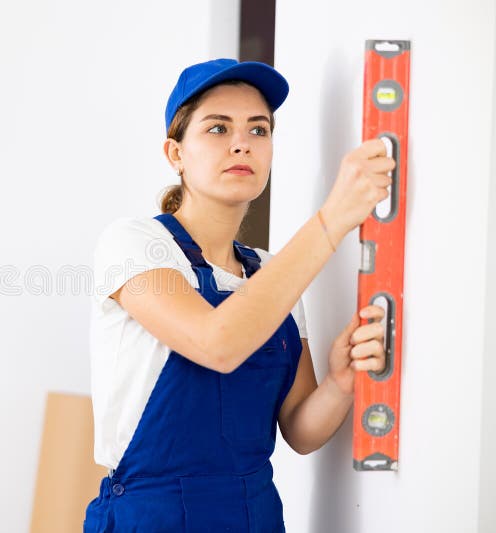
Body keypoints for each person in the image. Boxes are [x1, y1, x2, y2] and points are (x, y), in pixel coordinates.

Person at [83, 58, 393, 532]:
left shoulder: (269, 273)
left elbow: (300, 429)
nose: (241, 143)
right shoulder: (134, 246)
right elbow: (217, 343)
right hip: (152, 518)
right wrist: (332, 220)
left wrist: (340, 383)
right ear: (175, 154)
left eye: (259, 129)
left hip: (255, 516)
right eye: (217, 128)